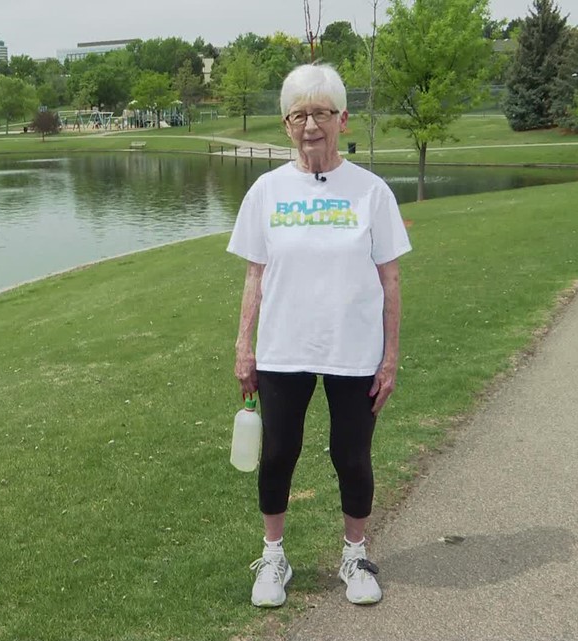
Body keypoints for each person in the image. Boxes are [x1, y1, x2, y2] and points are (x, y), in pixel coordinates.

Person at [226, 64, 411, 608]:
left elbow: (390, 279)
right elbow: (255, 273)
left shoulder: (371, 192)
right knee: (279, 452)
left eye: (322, 113)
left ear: (342, 119)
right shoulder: (267, 191)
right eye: (299, 114)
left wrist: (390, 357)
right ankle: (274, 556)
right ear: (286, 125)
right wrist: (244, 345)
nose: (311, 125)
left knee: (351, 455)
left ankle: (355, 555)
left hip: (354, 347)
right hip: (286, 346)